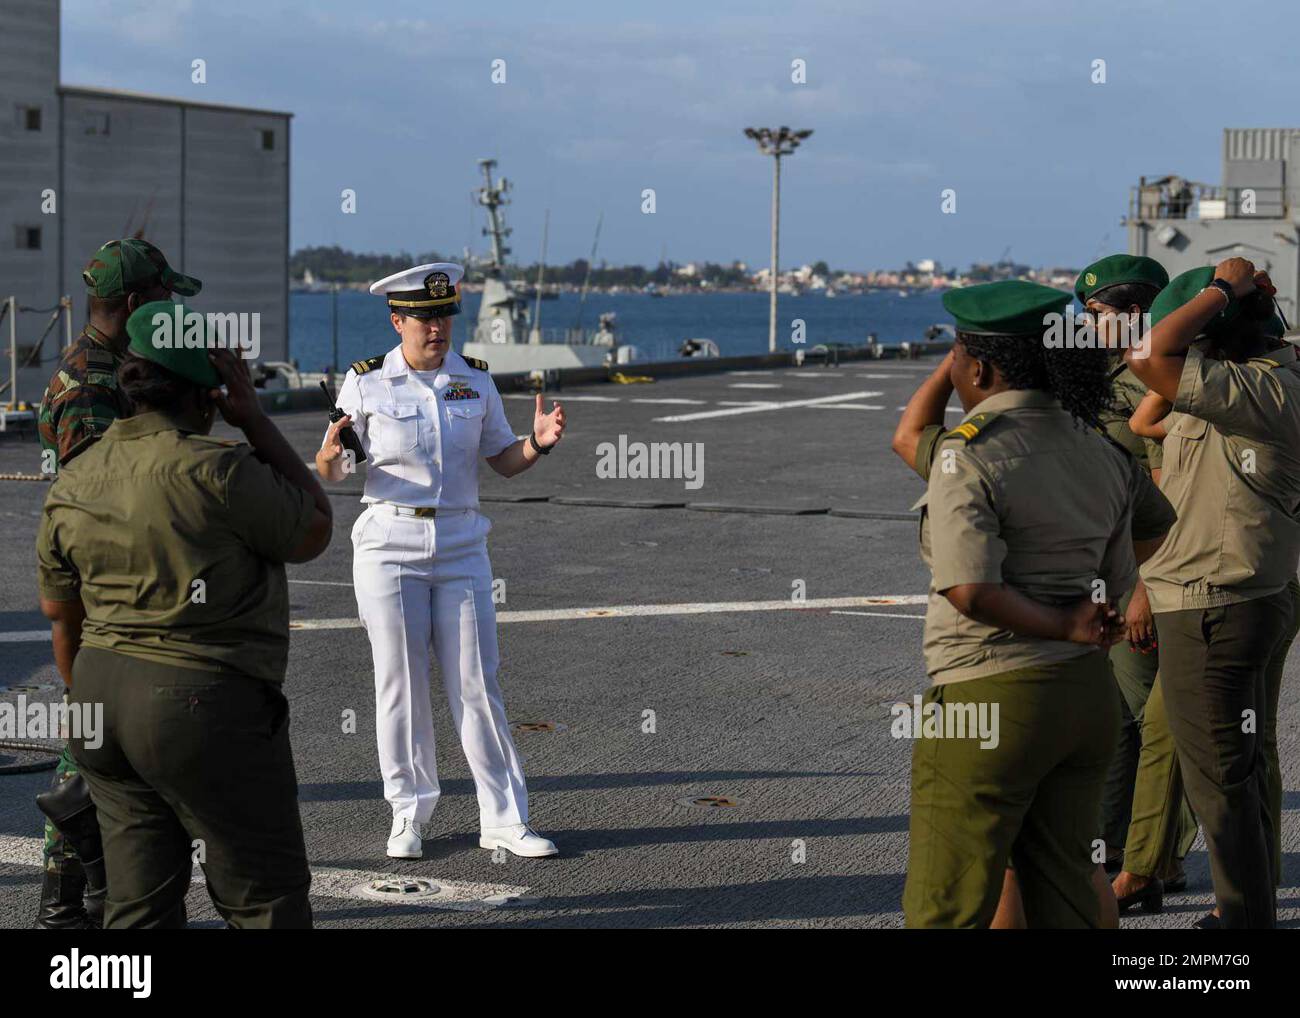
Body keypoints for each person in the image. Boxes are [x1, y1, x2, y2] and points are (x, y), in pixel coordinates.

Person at [36, 303, 332, 928]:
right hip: (201, 703)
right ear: (208, 396)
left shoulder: (74, 481)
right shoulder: (220, 470)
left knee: (136, 906)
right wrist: (253, 419)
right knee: (263, 898)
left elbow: (63, 620)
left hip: (99, 700)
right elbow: (315, 529)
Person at [891, 280, 1175, 928]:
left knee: (949, 901)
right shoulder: (1100, 448)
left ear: (980, 366)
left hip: (989, 695)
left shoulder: (970, 452)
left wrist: (1060, 621)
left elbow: (970, 589)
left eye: (964, 354)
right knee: (1070, 882)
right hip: (1083, 698)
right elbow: (1156, 528)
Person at [315, 262, 566, 860]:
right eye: (425, 318)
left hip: (459, 543)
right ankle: (408, 815)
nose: (437, 327)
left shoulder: (475, 381)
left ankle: (504, 819)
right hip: (389, 545)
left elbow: (502, 459)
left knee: (478, 682)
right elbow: (336, 470)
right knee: (399, 684)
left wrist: (537, 444)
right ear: (398, 320)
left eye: (444, 315)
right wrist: (328, 456)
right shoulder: (367, 382)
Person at [1125, 259, 1300, 929]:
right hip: (1233, 600)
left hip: (1212, 607)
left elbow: (1149, 356)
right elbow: (1147, 419)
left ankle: (1245, 925)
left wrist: (1223, 290)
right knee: (1236, 768)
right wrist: (1237, 312)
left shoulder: (1257, 393)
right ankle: (1247, 914)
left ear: (1214, 345)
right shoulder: (1242, 391)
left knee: (1218, 782)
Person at [32, 238, 200, 930]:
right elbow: (103, 496)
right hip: (104, 588)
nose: (171, 309)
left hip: (115, 584)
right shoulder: (89, 387)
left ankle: (72, 903)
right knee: (94, 752)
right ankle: (75, 903)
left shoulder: (112, 369)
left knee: (98, 748)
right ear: (133, 304)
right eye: (162, 297)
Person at [1074, 255, 1199, 914]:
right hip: (1108, 568)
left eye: (1097, 316)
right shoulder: (1100, 374)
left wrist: (1148, 587)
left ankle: (1158, 860)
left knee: (1157, 723)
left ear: (1136, 309)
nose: (1089, 328)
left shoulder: (1170, 378)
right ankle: (1121, 848)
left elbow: (1171, 485)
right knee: (1121, 718)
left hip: (1150, 573)